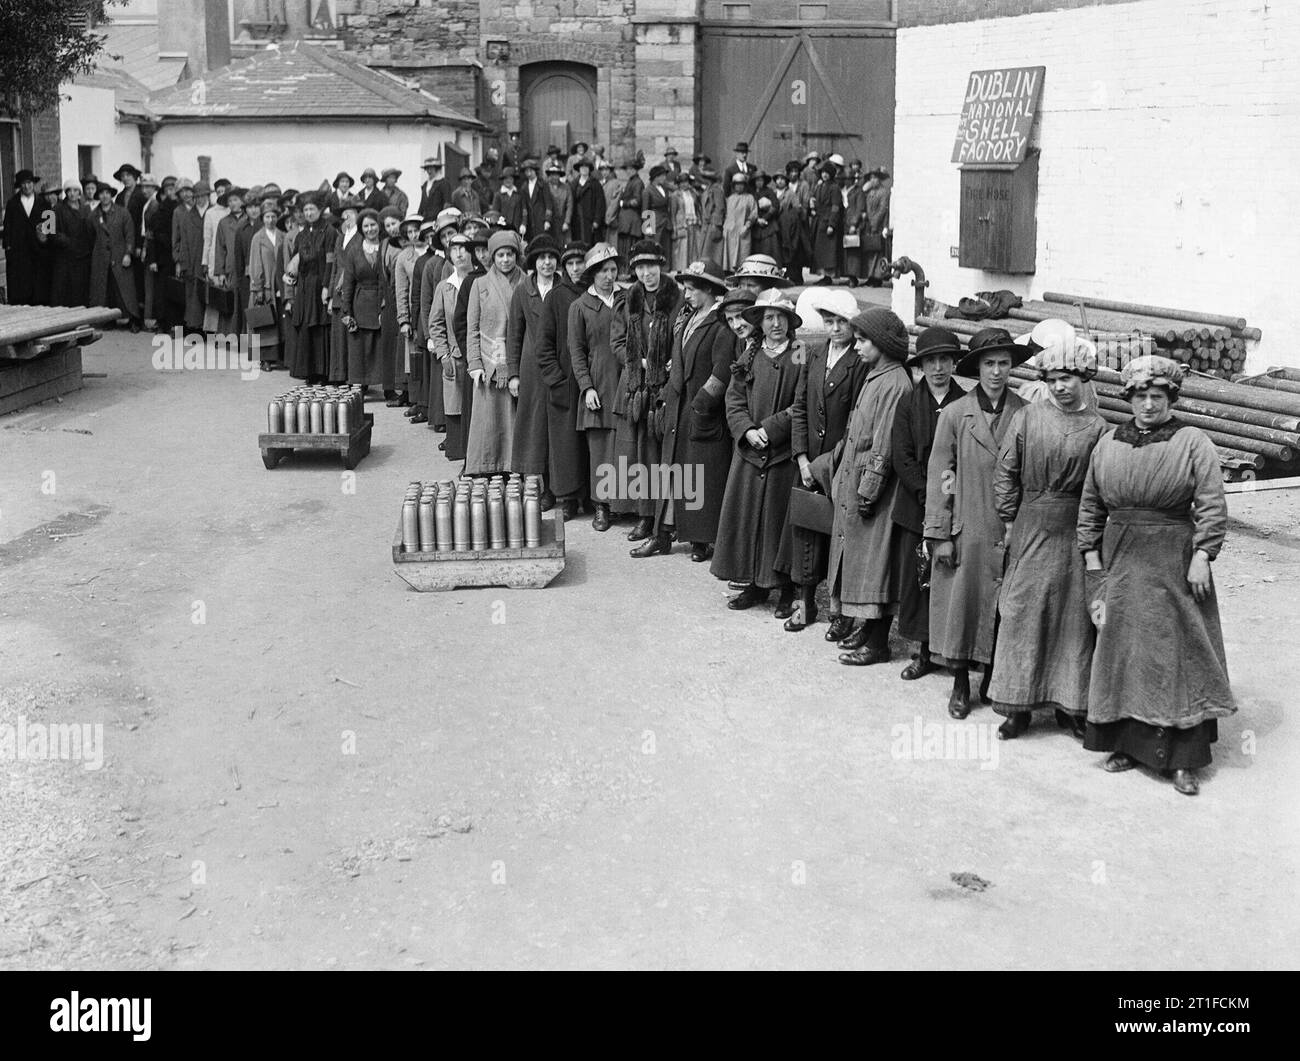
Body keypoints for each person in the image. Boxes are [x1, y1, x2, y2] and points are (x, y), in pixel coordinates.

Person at [1077, 356, 1236, 796]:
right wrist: (1094, 562)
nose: (1148, 405)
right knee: (1124, 650)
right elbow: (1090, 506)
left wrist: (1203, 553)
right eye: (1141, 396)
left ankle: (1183, 759)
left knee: (1177, 653)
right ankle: (1127, 745)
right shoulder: (1108, 442)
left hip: (1174, 559)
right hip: (1122, 560)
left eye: (1157, 397)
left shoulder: (1192, 442)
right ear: (1128, 398)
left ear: (1171, 399)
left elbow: (1211, 503)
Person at [989, 337, 1108, 740]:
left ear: (1083, 378)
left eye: (1069, 378)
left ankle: (1070, 705)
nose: (1060, 386)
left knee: (1073, 619)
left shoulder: (1098, 427)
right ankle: (1016, 706)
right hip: (1030, 525)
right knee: (1022, 613)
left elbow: (1101, 486)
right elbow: (1006, 471)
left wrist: (1093, 536)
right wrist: (1008, 521)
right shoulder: (1027, 418)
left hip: (1075, 528)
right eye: (1053, 379)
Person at [925, 327, 1030, 719]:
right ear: (977, 368)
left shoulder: (1024, 413)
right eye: (989, 364)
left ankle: (991, 677)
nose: (997, 372)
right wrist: (941, 532)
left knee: (1002, 608)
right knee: (962, 606)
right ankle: (959, 683)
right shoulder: (955, 415)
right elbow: (942, 472)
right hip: (967, 525)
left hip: (1009, 529)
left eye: (1004, 363)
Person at [779, 289, 871, 633]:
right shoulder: (814, 354)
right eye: (829, 321)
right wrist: (802, 457)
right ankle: (805, 603)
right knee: (805, 528)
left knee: (839, 534)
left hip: (839, 461)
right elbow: (800, 406)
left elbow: (855, 420)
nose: (834, 328)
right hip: (808, 461)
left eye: (841, 322)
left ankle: (840, 611)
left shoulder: (860, 364)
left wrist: (827, 464)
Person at [710, 289, 805, 614]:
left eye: (781, 317)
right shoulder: (751, 354)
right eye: (768, 317)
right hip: (750, 452)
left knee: (779, 523)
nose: (775, 323)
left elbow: (803, 403)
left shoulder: (799, 353)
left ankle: (784, 588)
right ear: (760, 323)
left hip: (782, 453)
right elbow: (733, 399)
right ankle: (753, 584)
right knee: (749, 519)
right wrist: (747, 430)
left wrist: (771, 428)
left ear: (790, 322)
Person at [828, 309, 914, 663]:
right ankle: (867, 627)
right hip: (855, 479)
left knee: (878, 565)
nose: (858, 346)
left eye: (863, 341)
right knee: (862, 561)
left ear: (880, 343)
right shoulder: (875, 375)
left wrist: (868, 490)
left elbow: (884, 445)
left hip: (875, 491)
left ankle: (879, 641)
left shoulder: (895, 383)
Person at [636, 258, 736, 561]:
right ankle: (663, 534)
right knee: (673, 473)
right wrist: (666, 397)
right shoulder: (688, 318)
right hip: (677, 409)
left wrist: (701, 406)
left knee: (699, 477)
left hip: (700, 413)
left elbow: (722, 372)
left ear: (708, 291)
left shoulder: (721, 326)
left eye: (692, 289)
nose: (687, 294)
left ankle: (699, 539)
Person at [890, 326, 966, 680]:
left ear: (953, 364)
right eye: (931, 361)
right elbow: (901, 455)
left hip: (952, 504)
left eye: (945, 360)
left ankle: (949, 650)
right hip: (915, 503)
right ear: (921, 366)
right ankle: (922, 650)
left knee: (948, 577)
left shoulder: (963, 405)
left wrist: (945, 499)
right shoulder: (909, 402)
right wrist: (924, 492)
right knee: (918, 580)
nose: (938, 368)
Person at [612, 239, 683, 542]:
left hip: (666, 385)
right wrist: (639, 361)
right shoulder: (630, 299)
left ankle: (671, 520)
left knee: (669, 455)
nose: (647, 273)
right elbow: (616, 343)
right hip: (639, 390)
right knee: (643, 455)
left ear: (660, 266)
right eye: (641, 267)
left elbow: (683, 337)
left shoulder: (676, 298)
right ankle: (645, 516)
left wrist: (670, 362)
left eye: (651, 266)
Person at [569, 243, 627, 531]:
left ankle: (622, 505)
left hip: (626, 384)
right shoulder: (580, 307)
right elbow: (577, 353)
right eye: (603, 270)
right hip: (599, 387)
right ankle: (601, 507)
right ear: (592, 273)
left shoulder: (627, 300)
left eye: (613, 270)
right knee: (601, 450)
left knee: (624, 448)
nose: (609, 275)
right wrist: (587, 387)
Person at [534, 241, 591, 520]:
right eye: (570, 264)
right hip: (565, 381)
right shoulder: (556, 297)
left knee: (590, 442)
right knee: (565, 444)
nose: (576, 268)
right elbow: (543, 345)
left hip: (593, 380)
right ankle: (567, 498)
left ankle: (593, 498)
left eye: (580, 262)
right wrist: (556, 379)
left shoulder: (595, 293)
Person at [465, 229, 525, 475]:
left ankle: (515, 465)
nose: (505, 260)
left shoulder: (526, 282)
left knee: (515, 418)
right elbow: (472, 329)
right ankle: (488, 467)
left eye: (510, 254)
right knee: (489, 421)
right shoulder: (479, 284)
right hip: (489, 364)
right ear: (492, 257)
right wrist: (475, 363)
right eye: (500, 255)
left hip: (518, 360)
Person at [508, 233, 561, 499]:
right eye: (542, 258)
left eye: (551, 258)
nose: (547, 263)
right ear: (533, 262)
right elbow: (514, 334)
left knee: (558, 429)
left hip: (559, 366)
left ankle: (559, 486)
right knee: (535, 428)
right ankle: (542, 488)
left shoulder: (564, 290)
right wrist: (513, 374)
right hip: (531, 367)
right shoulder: (522, 291)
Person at [429, 231, 475, 457]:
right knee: (455, 403)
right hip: (454, 356)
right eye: (454, 249)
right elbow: (435, 323)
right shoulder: (444, 287)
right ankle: (457, 448)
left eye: (464, 248)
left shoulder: (479, 280)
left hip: (478, 354)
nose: (459, 253)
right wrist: (443, 355)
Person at [415, 209, 462, 427]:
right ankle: (442, 420)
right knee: (444, 377)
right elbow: (426, 303)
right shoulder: (433, 265)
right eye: (443, 237)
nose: (448, 239)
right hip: (443, 328)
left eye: (451, 233)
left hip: (462, 327)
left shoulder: (466, 262)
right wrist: (430, 334)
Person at [339, 208, 388, 389]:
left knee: (381, 347)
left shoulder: (386, 247)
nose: (370, 229)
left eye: (373, 225)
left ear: (379, 226)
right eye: (366, 226)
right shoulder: (353, 251)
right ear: (361, 228)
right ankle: (359, 384)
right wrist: (347, 311)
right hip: (360, 304)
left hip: (381, 301)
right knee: (359, 348)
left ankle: (388, 388)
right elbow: (348, 283)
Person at [286, 192, 332, 383]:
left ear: (320, 210)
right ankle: (309, 372)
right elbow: (295, 262)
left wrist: (326, 287)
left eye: (312, 209)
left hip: (320, 285)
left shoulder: (329, 232)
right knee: (306, 327)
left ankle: (323, 373)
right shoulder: (301, 235)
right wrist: (290, 276)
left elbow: (331, 262)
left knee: (320, 328)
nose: (309, 213)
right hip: (304, 287)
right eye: (305, 210)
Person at [88, 183, 140, 328]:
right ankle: (109, 319)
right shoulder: (93, 215)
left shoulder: (122, 213)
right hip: (102, 259)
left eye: (107, 193)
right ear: (98, 196)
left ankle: (133, 319)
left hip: (120, 256)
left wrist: (128, 253)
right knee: (106, 290)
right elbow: (90, 236)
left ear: (111, 195)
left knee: (125, 289)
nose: (104, 196)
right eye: (101, 194)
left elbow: (129, 234)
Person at [247, 202, 285, 370]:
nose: (270, 220)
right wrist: (259, 288)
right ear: (262, 219)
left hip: (280, 284)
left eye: (273, 216)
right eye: (267, 217)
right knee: (264, 322)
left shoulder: (282, 236)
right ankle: (265, 359)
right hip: (265, 285)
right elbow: (255, 263)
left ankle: (278, 356)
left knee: (278, 322)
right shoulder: (258, 238)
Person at [3, 169, 49, 305]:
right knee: (20, 290)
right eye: (23, 184)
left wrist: (47, 243)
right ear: (19, 186)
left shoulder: (44, 202)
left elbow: (51, 227)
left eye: (29, 183)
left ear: (33, 184)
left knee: (40, 290)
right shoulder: (12, 204)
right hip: (19, 255)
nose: (27, 186)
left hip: (39, 253)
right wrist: (9, 248)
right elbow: (7, 228)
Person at [49, 178, 96, 308]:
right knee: (63, 291)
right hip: (64, 257)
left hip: (82, 257)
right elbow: (51, 233)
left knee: (80, 290)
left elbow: (92, 229)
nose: (72, 194)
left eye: (75, 190)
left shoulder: (86, 209)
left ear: (80, 192)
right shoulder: (56, 209)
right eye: (69, 191)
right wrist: (67, 242)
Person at [214, 187, 253, 336]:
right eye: (229, 201)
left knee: (246, 302)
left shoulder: (248, 220)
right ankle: (229, 336)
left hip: (246, 267)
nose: (232, 203)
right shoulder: (223, 223)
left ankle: (246, 336)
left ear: (242, 201)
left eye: (235, 199)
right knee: (231, 303)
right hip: (231, 268)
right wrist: (220, 272)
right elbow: (220, 248)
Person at [171, 180, 205, 332]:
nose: (186, 194)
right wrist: (178, 260)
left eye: (188, 191)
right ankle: (193, 327)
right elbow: (177, 238)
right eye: (182, 191)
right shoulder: (179, 212)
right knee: (191, 295)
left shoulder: (206, 211)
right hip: (189, 256)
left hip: (203, 256)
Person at [201, 179, 230, 333]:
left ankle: (227, 331)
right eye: (218, 192)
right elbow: (207, 239)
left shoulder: (233, 211)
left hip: (229, 257)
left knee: (228, 295)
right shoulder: (211, 213)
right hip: (214, 257)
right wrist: (205, 262)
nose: (221, 194)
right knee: (215, 294)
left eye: (224, 191)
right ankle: (211, 330)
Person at [809, 162, 842, 284]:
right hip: (819, 221)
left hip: (828, 222)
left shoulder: (834, 188)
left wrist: (832, 224)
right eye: (823, 172)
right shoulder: (819, 186)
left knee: (829, 251)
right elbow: (815, 200)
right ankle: (823, 276)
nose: (824, 175)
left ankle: (829, 277)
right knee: (820, 251)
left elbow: (835, 207)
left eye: (827, 173)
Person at [720, 173, 757, 272]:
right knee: (729, 256)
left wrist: (747, 225)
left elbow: (754, 213)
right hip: (729, 232)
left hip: (742, 231)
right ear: (733, 186)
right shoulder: (730, 199)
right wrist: (724, 228)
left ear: (745, 185)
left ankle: (741, 276)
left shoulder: (749, 198)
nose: (739, 186)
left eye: (741, 184)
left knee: (742, 255)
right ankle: (729, 276)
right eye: (736, 184)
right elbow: (725, 214)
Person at [615, 159, 645, 270]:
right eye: (627, 169)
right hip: (627, 220)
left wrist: (624, 203)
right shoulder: (632, 181)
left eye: (630, 169)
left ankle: (630, 271)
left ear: (635, 170)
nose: (628, 171)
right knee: (626, 246)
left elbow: (637, 201)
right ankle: (626, 270)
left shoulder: (637, 182)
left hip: (632, 220)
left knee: (631, 246)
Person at [863, 168, 892, 286]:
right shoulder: (870, 193)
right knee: (870, 251)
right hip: (870, 224)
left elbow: (882, 209)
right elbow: (868, 208)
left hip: (879, 224)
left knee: (879, 251)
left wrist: (875, 222)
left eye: (875, 178)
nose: (873, 180)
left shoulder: (883, 192)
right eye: (871, 178)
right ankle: (871, 275)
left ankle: (878, 276)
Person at [570, 159, 605, 246]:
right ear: (579, 169)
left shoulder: (595, 184)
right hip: (577, 219)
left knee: (590, 243)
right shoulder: (574, 184)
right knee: (578, 242)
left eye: (586, 167)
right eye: (582, 167)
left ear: (589, 169)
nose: (584, 169)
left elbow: (600, 203)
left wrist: (597, 220)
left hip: (590, 219)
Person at [670, 172, 700, 273]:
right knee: (681, 249)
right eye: (682, 182)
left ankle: (691, 268)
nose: (684, 184)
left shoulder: (693, 193)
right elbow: (673, 213)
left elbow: (697, 207)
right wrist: (674, 227)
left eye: (686, 182)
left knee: (692, 248)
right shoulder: (675, 195)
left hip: (692, 223)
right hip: (681, 224)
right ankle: (680, 269)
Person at [518, 158, 555, 239]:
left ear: (535, 171)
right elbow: (524, 207)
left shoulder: (543, 185)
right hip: (530, 222)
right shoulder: (524, 187)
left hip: (541, 220)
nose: (529, 173)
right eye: (526, 171)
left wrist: (547, 220)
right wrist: (523, 223)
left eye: (530, 171)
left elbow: (548, 204)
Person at [750, 171, 781, 265]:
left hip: (769, 225)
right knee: (756, 251)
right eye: (757, 180)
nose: (759, 182)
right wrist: (757, 219)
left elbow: (776, 205)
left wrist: (765, 218)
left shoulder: (769, 191)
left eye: (761, 180)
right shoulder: (751, 193)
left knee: (770, 250)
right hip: (755, 225)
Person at [645, 165, 673, 265]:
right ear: (656, 177)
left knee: (665, 247)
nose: (664, 178)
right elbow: (646, 210)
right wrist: (647, 227)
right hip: (654, 222)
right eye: (662, 176)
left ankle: (665, 268)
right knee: (654, 247)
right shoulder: (648, 190)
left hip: (665, 221)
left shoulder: (664, 189)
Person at [698, 167, 726, 264]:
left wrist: (715, 225)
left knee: (711, 251)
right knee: (704, 250)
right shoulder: (707, 190)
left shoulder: (716, 190)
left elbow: (720, 208)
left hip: (713, 224)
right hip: (706, 224)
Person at [491, 167, 525, 233]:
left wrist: (523, 224)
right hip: (503, 228)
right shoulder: (498, 195)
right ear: (503, 180)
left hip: (517, 227)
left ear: (513, 180)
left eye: (510, 178)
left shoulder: (519, 194)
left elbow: (523, 210)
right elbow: (495, 213)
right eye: (506, 178)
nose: (508, 181)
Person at [545, 160, 571, 238]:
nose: (554, 177)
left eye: (556, 175)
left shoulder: (566, 187)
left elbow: (569, 205)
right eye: (552, 175)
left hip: (562, 220)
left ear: (559, 175)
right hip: (550, 222)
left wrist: (567, 222)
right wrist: (547, 220)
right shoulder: (545, 187)